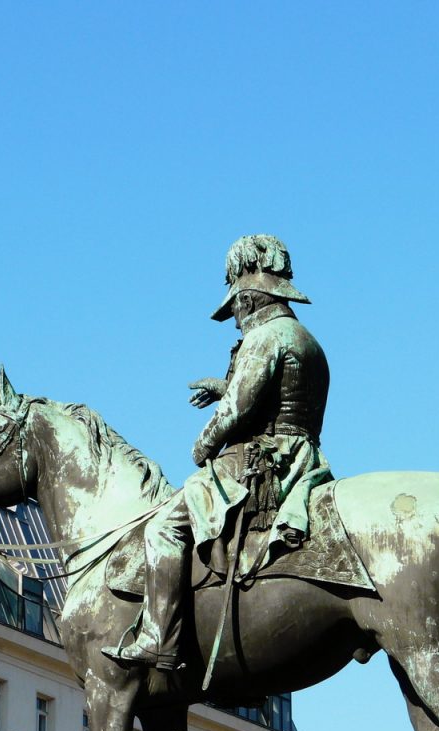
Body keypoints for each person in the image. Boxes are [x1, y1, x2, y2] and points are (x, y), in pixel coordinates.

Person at [103, 234, 332, 671]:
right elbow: (276, 394)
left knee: (163, 527)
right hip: (304, 456)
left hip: (262, 461)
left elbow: (236, 412)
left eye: (235, 308)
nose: (235, 320)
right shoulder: (305, 339)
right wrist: (223, 385)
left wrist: (203, 443)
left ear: (249, 298)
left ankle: (158, 639)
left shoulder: (265, 337)